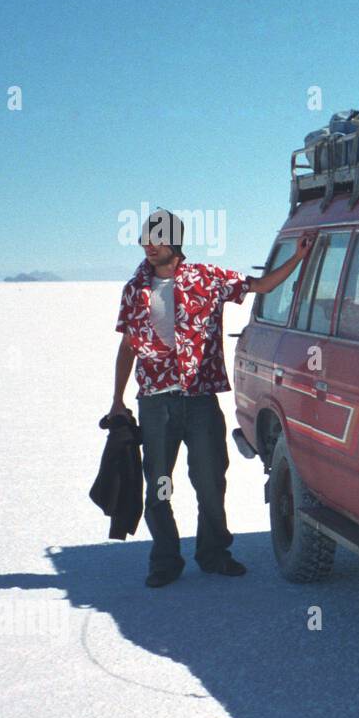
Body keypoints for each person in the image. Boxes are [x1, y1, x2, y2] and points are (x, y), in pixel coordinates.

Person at [110, 209, 313, 588]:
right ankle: (166, 559)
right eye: (143, 239)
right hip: (155, 402)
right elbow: (127, 347)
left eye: (155, 238)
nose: (147, 246)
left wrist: (298, 258)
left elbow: (261, 286)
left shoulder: (207, 279)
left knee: (209, 481)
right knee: (158, 484)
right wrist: (117, 400)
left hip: (200, 400)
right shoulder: (134, 289)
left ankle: (214, 553)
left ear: (174, 242)